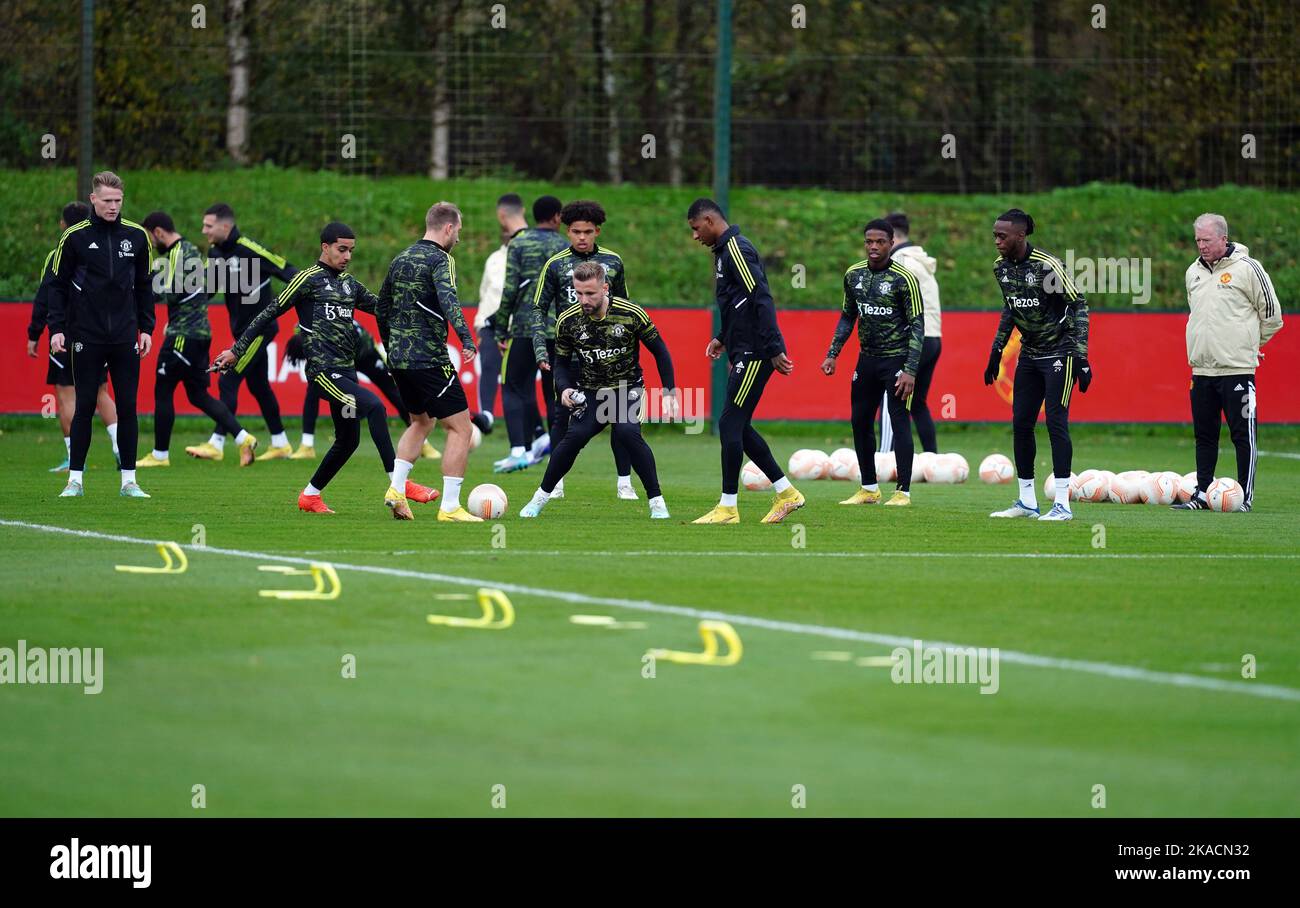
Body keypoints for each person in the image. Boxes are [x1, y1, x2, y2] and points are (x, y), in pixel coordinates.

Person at [213, 222, 436, 516]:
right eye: (342, 249)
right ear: (325, 248)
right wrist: (236, 350)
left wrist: (415, 303)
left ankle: (310, 496)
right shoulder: (307, 279)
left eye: (351, 251)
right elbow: (269, 313)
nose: (347, 256)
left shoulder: (349, 284)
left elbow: (383, 308)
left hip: (346, 372)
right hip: (323, 374)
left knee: (348, 440)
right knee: (375, 407)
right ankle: (399, 485)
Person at [519, 262, 675, 519]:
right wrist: (566, 389)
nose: (584, 299)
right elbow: (561, 365)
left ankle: (656, 502)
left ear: (605, 287)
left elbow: (661, 352)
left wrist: (670, 392)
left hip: (627, 389)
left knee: (627, 431)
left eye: (590, 293)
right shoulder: (567, 321)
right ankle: (539, 499)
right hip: (591, 392)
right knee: (573, 439)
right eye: (578, 293)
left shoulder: (631, 313)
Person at [684, 198, 802, 525]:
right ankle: (787, 493)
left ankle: (728, 507)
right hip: (743, 347)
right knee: (739, 425)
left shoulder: (736, 249)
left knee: (729, 424)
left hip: (754, 352)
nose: (695, 236)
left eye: (696, 228)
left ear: (709, 220)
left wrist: (774, 347)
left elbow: (760, 296)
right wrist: (723, 336)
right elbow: (738, 303)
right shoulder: (724, 252)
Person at [46, 171, 154, 499]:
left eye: (118, 201)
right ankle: (75, 480)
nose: (112, 206)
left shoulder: (136, 236)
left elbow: (145, 285)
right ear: (93, 199)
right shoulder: (75, 238)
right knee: (84, 407)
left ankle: (129, 481)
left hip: (124, 337)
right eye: (107, 201)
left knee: (128, 407)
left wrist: (146, 328)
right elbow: (57, 285)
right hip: (86, 335)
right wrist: (57, 329)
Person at [375, 201, 483, 522]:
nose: (459, 239)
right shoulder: (441, 259)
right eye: (459, 232)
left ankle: (396, 490)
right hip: (429, 358)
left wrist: (391, 348)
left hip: (399, 358)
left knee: (421, 422)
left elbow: (382, 308)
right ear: (448, 228)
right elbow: (449, 301)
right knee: (461, 429)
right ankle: (449, 507)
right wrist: (465, 338)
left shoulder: (401, 258)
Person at [984, 208, 1090, 522]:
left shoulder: (1048, 266)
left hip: (1059, 353)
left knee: (1056, 423)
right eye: (995, 236)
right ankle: (1027, 502)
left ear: (1021, 235)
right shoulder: (1000, 268)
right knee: (1021, 424)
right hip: (1029, 355)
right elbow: (1011, 307)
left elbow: (1078, 303)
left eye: (1002, 236)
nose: (997, 241)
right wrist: (996, 350)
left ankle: (1063, 504)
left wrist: (1081, 356)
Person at [1172, 213, 1283, 512]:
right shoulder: (1192, 272)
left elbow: (1272, 315)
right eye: (1197, 240)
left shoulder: (1248, 269)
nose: (1201, 246)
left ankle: (1244, 498)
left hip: (1237, 369)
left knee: (1241, 435)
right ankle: (1202, 494)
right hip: (1202, 370)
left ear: (1223, 238)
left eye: (1207, 240)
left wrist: (1251, 344)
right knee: (1204, 435)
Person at [529, 199, 637, 499]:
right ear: (567, 231)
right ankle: (557, 483)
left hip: (610, 358)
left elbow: (626, 308)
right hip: (570, 355)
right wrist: (541, 349)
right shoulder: (555, 265)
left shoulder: (613, 263)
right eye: (576, 231)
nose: (581, 237)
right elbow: (537, 308)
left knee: (620, 417)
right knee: (562, 416)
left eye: (587, 231)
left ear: (597, 231)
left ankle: (624, 481)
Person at [136, 211, 259, 467]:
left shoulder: (178, 253)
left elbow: (167, 292)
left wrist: (136, 294)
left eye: (150, 238)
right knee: (197, 395)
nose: (150, 244)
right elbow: (198, 289)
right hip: (199, 334)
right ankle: (243, 437)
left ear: (158, 232)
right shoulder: (188, 251)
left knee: (163, 390)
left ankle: (160, 456)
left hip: (183, 335)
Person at [821, 219, 922, 507]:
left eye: (880, 242)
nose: (874, 246)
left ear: (891, 244)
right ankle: (869, 488)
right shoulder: (854, 275)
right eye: (869, 241)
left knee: (899, 421)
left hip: (897, 361)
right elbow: (847, 316)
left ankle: (902, 492)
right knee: (860, 420)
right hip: (867, 360)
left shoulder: (904, 279)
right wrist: (833, 353)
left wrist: (911, 370)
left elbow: (917, 324)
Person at [194, 202, 298, 461]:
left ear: (225, 226)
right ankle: (281, 443)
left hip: (260, 330)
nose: (203, 230)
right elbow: (210, 290)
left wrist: (311, 300)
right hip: (242, 333)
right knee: (259, 386)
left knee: (228, 378)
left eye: (209, 225)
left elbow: (290, 273)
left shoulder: (250, 250)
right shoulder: (216, 254)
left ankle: (217, 444)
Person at [27, 200, 119, 472]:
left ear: (63, 225)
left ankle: (73, 458)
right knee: (101, 391)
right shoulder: (104, 250)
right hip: (99, 332)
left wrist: (34, 332)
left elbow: (45, 296)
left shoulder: (59, 254)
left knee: (67, 394)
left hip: (65, 334)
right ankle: (119, 446)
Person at [492, 194, 566, 473]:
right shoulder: (565, 246)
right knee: (554, 394)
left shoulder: (519, 242)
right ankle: (557, 458)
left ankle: (518, 450)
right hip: (558, 330)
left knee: (513, 386)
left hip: (524, 328)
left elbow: (510, 288)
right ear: (557, 216)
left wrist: (500, 327)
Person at [285, 318, 428, 461]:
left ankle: (422, 441)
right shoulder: (304, 323)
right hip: (341, 358)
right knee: (315, 391)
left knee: (393, 392)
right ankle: (307, 445)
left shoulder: (336, 324)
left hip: (366, 353)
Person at [882, 211, 943, 454]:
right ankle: (933, 460)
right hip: (934, 338)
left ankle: (883, 459)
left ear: (892, 237)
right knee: (917, 403)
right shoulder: (920, 260)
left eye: (880, 239)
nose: (876, 245)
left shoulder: (900, 262)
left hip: (914, 339)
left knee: (891, 399)